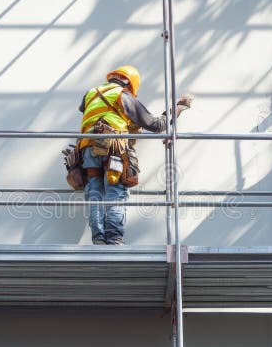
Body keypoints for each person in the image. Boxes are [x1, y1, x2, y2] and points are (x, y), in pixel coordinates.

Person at [78, 65, 192, 245]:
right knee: (115, 192)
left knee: (95, 194)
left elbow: (98, 114)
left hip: (88, 149)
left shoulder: (90, 94)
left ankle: (98, 238)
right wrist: (177, 109)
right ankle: (114, 238)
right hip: (113, 148)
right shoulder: (122, 95)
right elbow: (156, 125)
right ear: (130, 84)